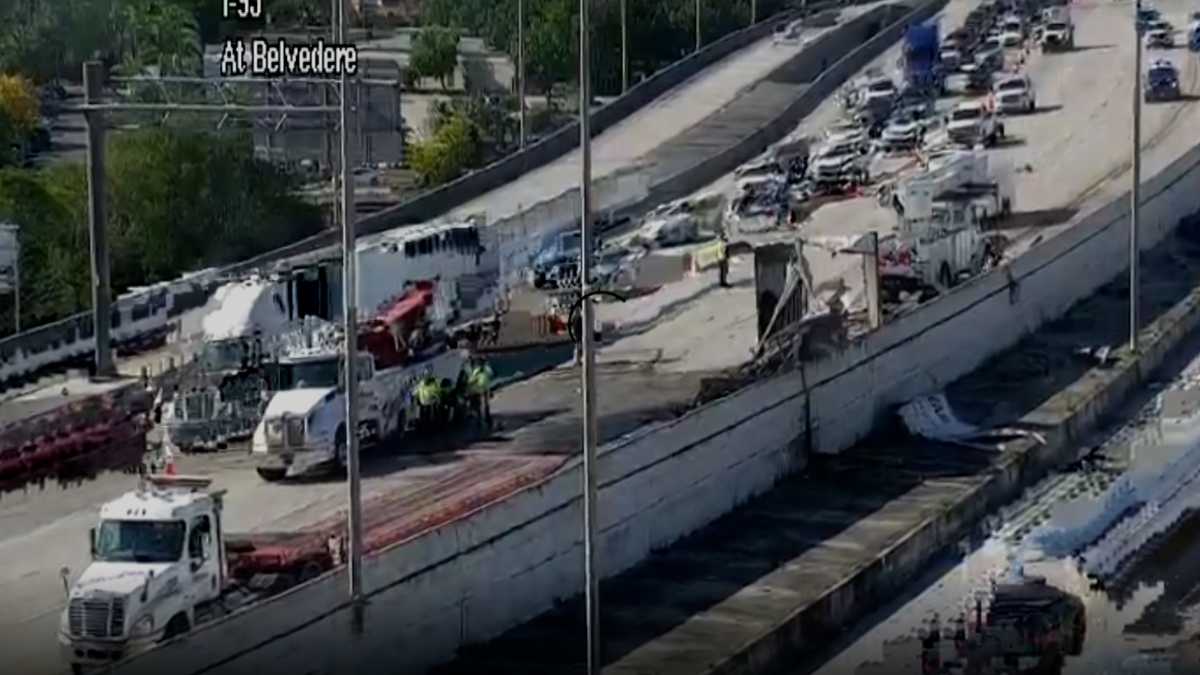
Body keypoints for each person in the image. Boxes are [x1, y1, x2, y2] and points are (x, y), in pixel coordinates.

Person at [467, 357, 494, 429]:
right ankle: (479, 419)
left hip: (485, 389)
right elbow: (471, 380)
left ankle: (487, 418)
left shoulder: (487, 369)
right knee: (479, 405)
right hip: (478, 390)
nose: (481, 364)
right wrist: (473, 381)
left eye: (482, 362)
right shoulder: (476, 371)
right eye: (480, 362)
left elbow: (491, 376)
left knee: (486, 405)